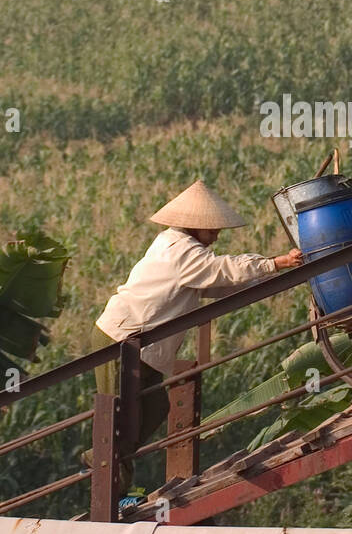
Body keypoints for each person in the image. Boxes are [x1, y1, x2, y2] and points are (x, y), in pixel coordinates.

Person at [92, 179, 303, 502]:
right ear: (196, 226)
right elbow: (219, 270)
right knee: (124, 417)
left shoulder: (181, 249)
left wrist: (268, 276)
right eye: (213, 229)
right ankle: (109, 486)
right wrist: (273, 263)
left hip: (140, 346)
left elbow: (214, 284)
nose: (217, 235)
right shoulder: (180, 251)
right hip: (122, 340)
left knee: (154, 408)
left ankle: (112, 476)